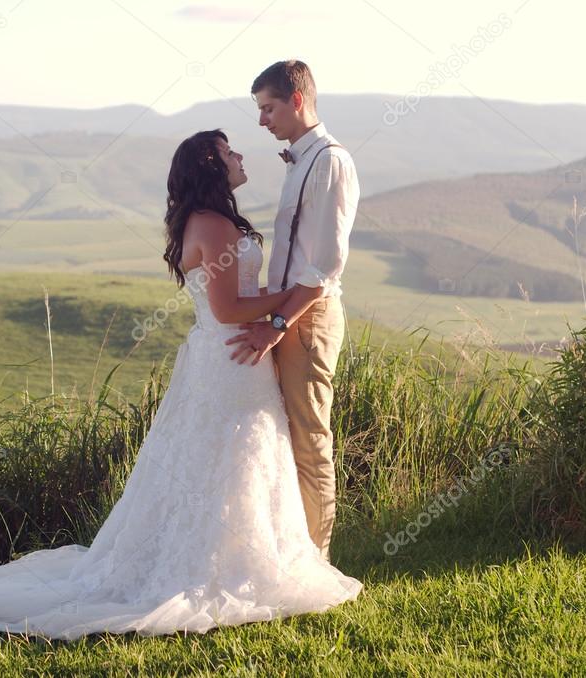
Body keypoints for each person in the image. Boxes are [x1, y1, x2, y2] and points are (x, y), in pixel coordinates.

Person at [0, 129, 362, 641]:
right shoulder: (215, 225)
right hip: (232, 357)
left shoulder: (204, 220)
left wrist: (282, 300)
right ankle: (225, 565)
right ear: (210, 166)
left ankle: (225, 556)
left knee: (220, 460)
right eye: (228, 152)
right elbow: (227, 310)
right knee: (236, 455)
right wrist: (297, 295)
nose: (240, 154)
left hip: (218, 359)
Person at [225, 60, 360, 562]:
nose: (262, 120)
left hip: (309, 318)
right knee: (286, 436)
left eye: (268, 107)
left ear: (297, 100)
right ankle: (286, 554)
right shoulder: (300, 160)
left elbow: (323, 266)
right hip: (288, 315)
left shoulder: (328, 161)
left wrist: (277, 326)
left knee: (309, 440)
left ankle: (316, 563)